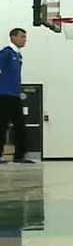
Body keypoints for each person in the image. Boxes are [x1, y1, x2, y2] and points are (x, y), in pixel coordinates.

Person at [0, 28, 32, 164]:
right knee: (2, 125)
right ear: (13, 37)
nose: (24, 40)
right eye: (22, 36)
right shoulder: (6, 53)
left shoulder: (18, 55)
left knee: (20, 126)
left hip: (15, 95)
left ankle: (19, 155)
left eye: (25, 37)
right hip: (4, 95)